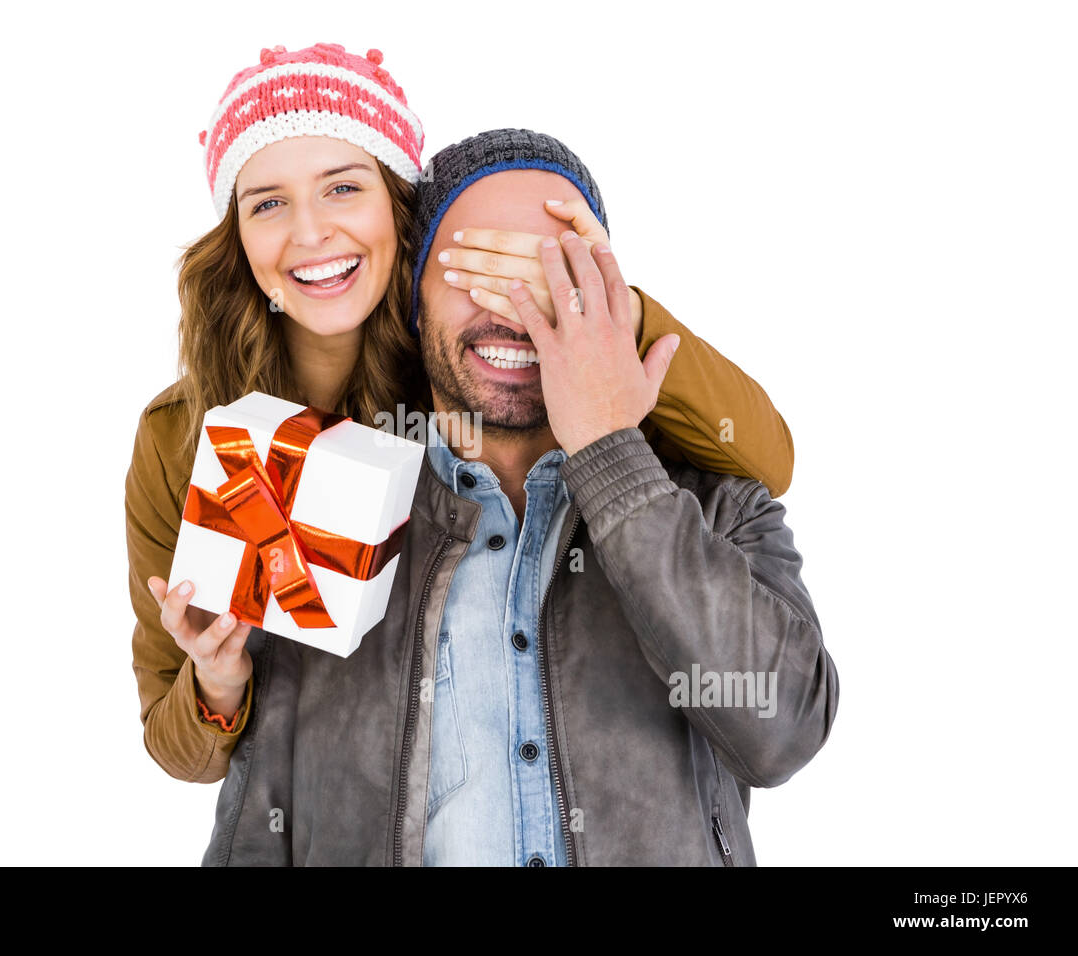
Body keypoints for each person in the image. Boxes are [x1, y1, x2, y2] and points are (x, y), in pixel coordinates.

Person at [124, 47, 803, 861]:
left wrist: (601, 300)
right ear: (235, 230)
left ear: (402, 222)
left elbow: (765, 455)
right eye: (268, 201)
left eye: (343, 185)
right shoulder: (186, 435)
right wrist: (216, 687)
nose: (310, 233)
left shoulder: (470, 374)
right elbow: (184, 744)